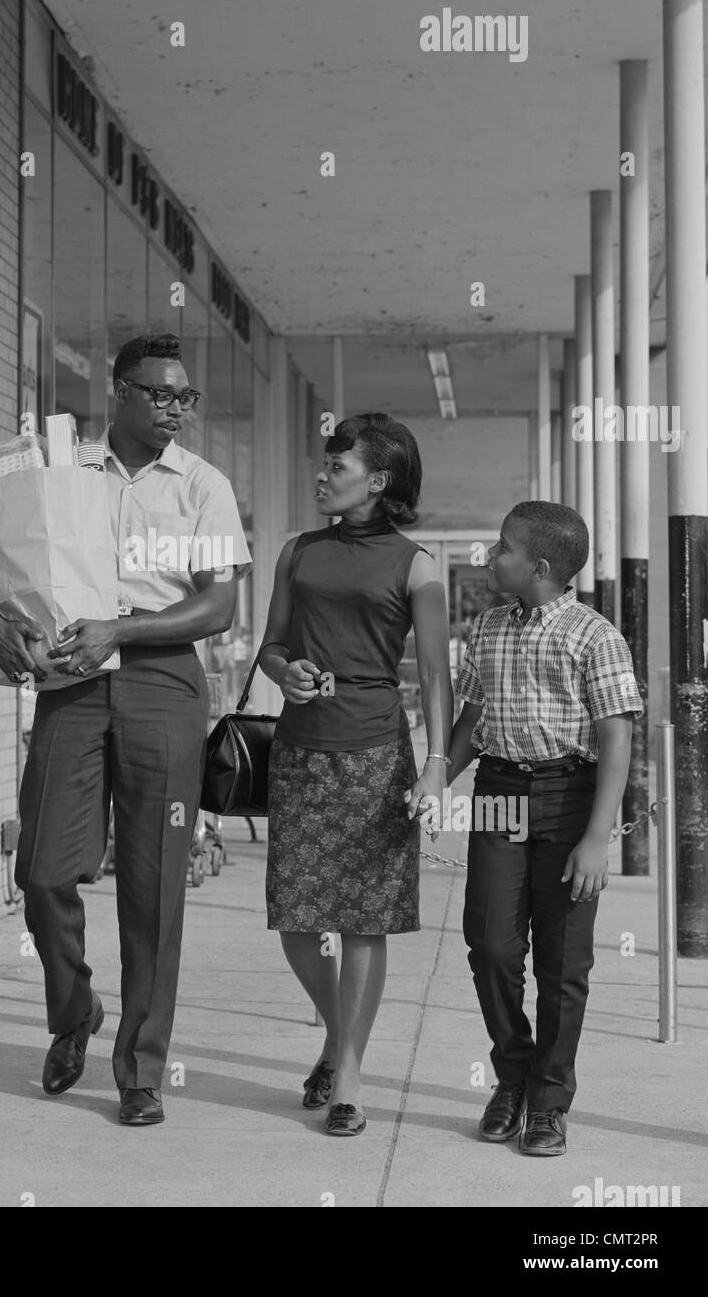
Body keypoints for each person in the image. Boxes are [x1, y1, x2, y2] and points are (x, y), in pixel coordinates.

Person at [0, 334, 251, 1126]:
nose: (175, 409)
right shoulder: (62, 471)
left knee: (154, 887)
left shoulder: (202, 486)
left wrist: (120, 631)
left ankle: (140, 1070)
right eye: (160, 394)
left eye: (185, 398)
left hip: (161, 679)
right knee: (44, 869)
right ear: (118, 394)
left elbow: (219, 605)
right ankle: (73, 1013)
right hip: (72, 685)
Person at [258, 413, 452, 1136]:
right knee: (296, 918)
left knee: (363, 921)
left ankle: (348, 1077)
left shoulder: (416, 564)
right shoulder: (296, 552)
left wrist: (434, 766)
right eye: (323, 463)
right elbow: (270, 646)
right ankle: (340, 1038)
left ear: (376, 481)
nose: (320, 475)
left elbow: (433, 671)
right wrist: (287, 672)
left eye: (335, 468)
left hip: (377, 754)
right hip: (301, 750)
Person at [447, 502, 641, 1157]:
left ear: (538, 567)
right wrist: (432, 779)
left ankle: (549, 1099)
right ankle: (512, 1075)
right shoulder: (486, 628)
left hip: (566, 796)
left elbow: (617, 735)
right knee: (491, 944)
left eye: (500, 547)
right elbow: (471, 723)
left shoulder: (594, 635)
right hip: (499, 792)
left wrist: (597, 836)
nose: (490, 555)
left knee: (563, 963)